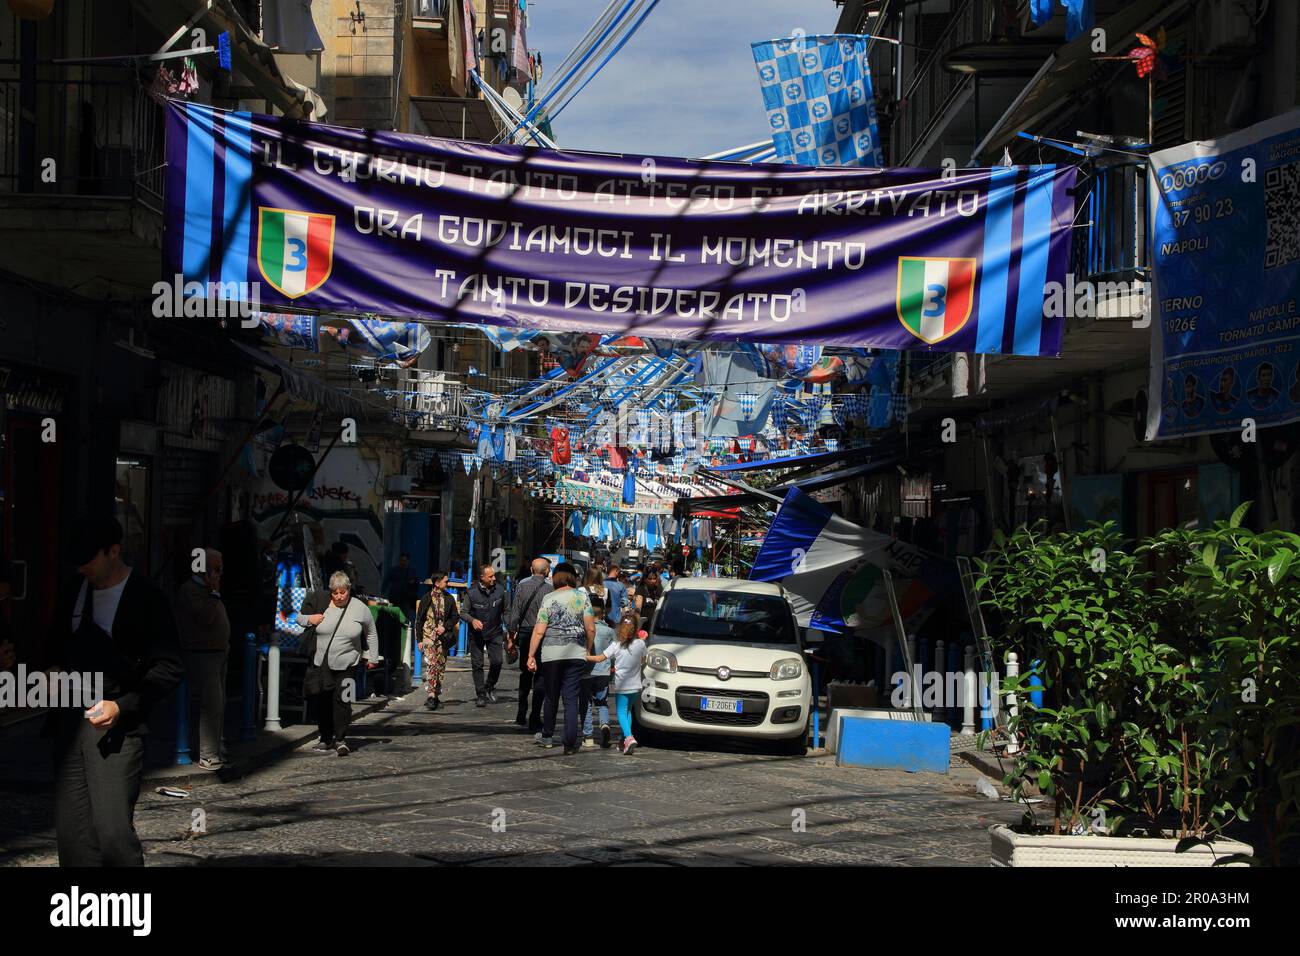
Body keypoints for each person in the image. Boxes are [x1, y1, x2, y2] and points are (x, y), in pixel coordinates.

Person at [46, 516, 183, 866]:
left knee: (112, 832)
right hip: (69, 721)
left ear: (114, 551)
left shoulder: (148, 598)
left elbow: (168, 669)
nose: (83, 567)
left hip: (117, 728)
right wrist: (52, 672)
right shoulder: (72, 591)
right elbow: (53, 648)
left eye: (89, 559)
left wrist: (123, 706)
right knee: (73, 834)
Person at [297, 571, 379, 756]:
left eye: (343, 592)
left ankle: (341, 739)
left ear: (349, 590)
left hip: (349, 663)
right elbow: (299, 619)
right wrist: (311, 619)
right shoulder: (321, 602)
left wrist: (373, 657)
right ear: (331, 591)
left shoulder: (360, 608)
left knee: (343, 701)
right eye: (335, 593)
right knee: (323, 701)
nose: (339, 596)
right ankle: (325, 738)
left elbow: (371, 633)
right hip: (322, 663)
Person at [526, 562, 594, 755]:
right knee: (571, 698)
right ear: (573, 578)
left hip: (551, 655)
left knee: (551, 696)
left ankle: (547, 736)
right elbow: (590, 628)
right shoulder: (582, 597)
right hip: (576, 653)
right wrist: (587, 650)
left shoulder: (548, 598)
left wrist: (531, 655)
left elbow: (539, 631)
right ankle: (570, 742)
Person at [174, 548, 230, 771]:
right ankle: (208, 754)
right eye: (216, 569)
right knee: (211, 704)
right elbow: (206, 617)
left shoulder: (205, 590)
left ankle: (216, 748)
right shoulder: (191, 591)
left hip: (217, 653)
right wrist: (214, 593)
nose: (219, 574)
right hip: (202, 654)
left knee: (219, 703)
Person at [586, 616, 647, 755]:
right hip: (636, 686)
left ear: (621, 628)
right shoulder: (641, 644)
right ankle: (624, 739)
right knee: (628, 711)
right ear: (636, 628)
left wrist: (586, 656)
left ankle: (629, 738)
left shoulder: (616, 645)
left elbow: (600, 658)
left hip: (622, 686)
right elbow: (644, 659)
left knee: (621, 711)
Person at [505, 557, 552, 730]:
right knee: (540, 675)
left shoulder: (522, 586)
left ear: (532, 570)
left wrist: (511, 636)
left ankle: (521, 711)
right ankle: (535, 715)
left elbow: (515, 612)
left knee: (525, 673)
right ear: (546, 571)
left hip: (525, 633)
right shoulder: (550, 589)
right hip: (543, 634)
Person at [460, 563, 507, 707]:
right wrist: (472, 620)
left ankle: (490, 686)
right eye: (490, 576)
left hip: (495, 632)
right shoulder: (472, 593)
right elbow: (463, 612)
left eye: (494, 575)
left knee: (497, 662)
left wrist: (510, 629)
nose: (494, 578)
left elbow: (506, 610)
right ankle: (480, 694)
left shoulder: (499, 590)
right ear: (482, 577)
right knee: (477, 665)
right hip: (477, 635)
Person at [414, 571, 458, 710]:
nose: (447, 583)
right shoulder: (426, 598)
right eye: (445, 581)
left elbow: (455, 617)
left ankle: (436, 695)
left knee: (440, 666)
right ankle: (431, 695)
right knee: (432, 664)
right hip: (428, 637)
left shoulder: (449, 598)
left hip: (442, 639)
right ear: (437, 583)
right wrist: (419, 639)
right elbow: (419, 620)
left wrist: (445, 627)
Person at [580, 594, 616, 749]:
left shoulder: (584, 630)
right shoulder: (609, 631)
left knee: (586, 703)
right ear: (603, 613)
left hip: (586, 672)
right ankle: (605, 726)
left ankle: (588, 736)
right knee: (602, 703)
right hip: (603, 672)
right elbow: (614, 653)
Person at [382, 552, 419, 620]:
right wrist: (383, 593)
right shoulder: (394, 570)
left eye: (404, 561)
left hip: (406, 599)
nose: (403, 562)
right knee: (393, 616)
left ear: (408, 561)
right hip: (394, 598)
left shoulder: (411, 571)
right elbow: (386, 581)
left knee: (405, 618)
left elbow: (415, 584)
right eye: (401, 560)